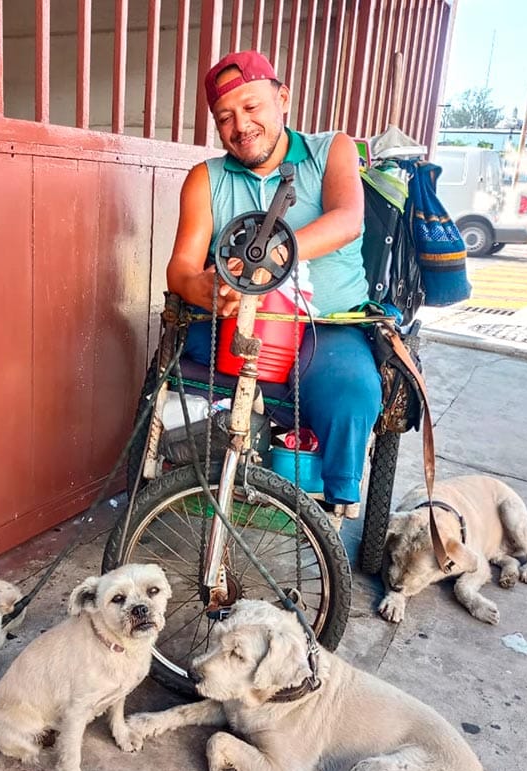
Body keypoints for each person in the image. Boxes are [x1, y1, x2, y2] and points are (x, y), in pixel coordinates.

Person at [166, 49, 382, 514]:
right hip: (239, 322)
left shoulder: (332, 151)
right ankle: (196, 481)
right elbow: (180, 268)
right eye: (225, 117)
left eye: (251, 107)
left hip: (328, 323)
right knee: (177, 387)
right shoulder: (206, 179)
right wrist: (204, 288)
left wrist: (273, 252)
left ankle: (332, 503)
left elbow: (348, 219)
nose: (240, 126)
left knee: (351, 389)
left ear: (282, 98)